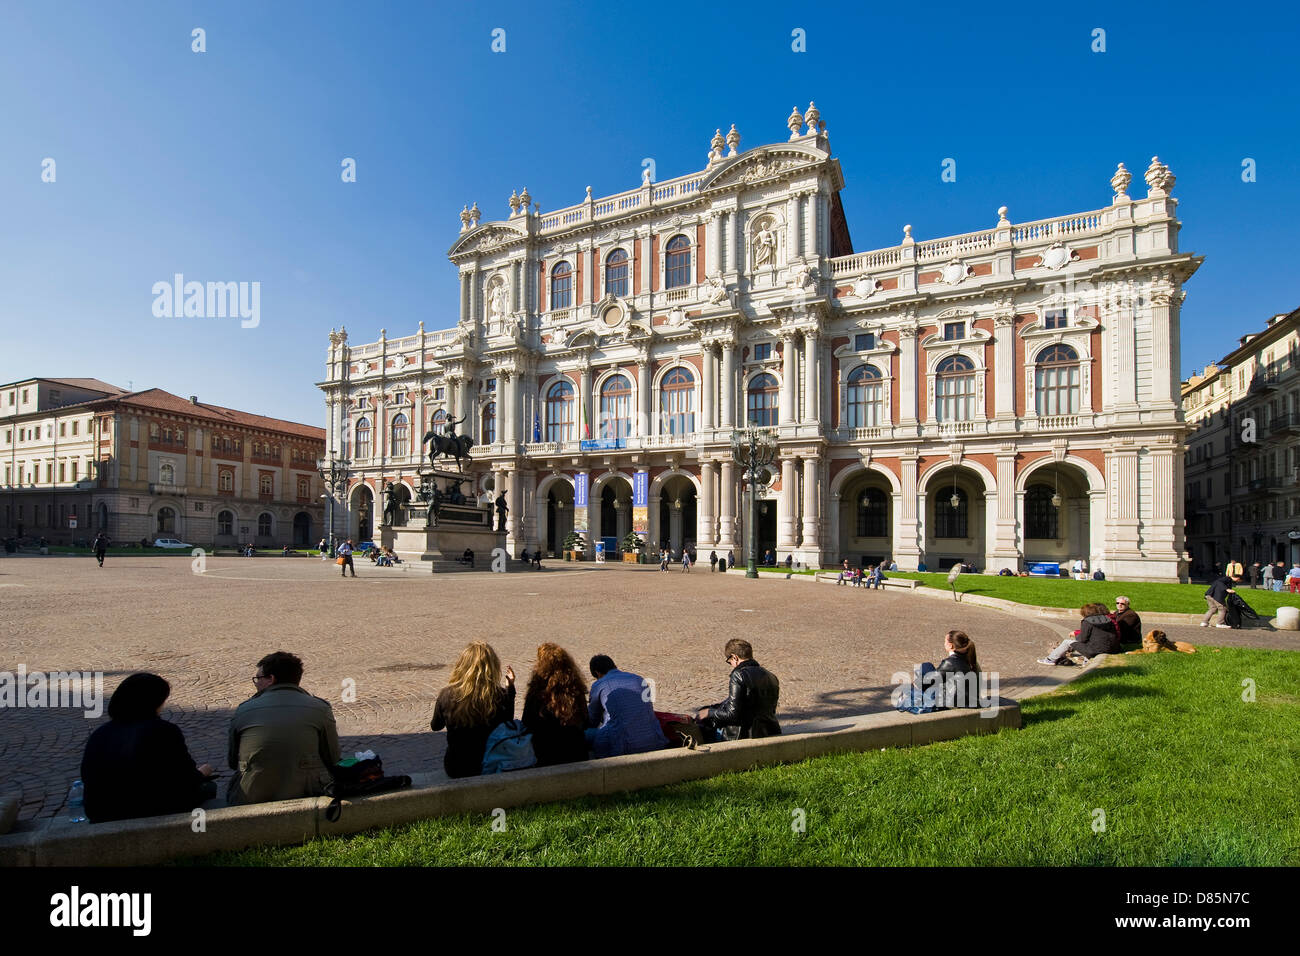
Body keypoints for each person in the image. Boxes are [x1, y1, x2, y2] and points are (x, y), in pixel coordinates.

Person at [80, 672, 216, 823]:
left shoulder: (100, 733)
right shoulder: (163, 730)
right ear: (154, 702)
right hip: (148, 808)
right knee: (209, 787)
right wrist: (203, 772)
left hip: (100, 811)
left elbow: (87, 776)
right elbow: (187, 778)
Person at [227, 652, 340, 805]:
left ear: (271, 679)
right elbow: (332, 758)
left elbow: (232, 761)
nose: (256, 684)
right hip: (306, 794)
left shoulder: (244, 710)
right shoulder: (320, 708)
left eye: (258, 679)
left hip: (251, 797)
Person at [430, 641, 516, 778]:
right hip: (489, 763)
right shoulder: (499, 696)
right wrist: (509, 689)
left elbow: (435, 726)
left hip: (457, 766)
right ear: (493, 667)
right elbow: (508, 723)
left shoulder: (447, 694)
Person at [697, 639, 780, 740]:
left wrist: (709, 713)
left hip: (743, 734)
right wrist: (715, 707)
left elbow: (732, 714)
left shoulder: (739, 675)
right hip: (769, 730)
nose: (731, 665)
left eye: (729, 661)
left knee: (701, 732)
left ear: (735, 657)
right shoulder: (771, 676)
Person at [585, 655, 666, 758]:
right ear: (614, 666)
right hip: (654, 740)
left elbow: (592, 720)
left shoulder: (599, 684)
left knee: (584, 734)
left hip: (623, 745)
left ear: (597, 673)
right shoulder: (638, 679)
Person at [522, 643, 589, 766]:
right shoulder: (575, 689)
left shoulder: (537, 693)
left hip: (545, 755)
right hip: (576, 752)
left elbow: (527, 723)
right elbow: (585, 720)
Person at [901, 631, 982, 710]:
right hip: (971, 702)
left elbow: (928, 681)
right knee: (930, 671)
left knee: (926, 666)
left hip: (952, 704)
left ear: (950, 646)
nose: (944, 644)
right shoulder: (972, 661)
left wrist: (913, 685)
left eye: (945, 641)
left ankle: (915, 697)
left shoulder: (951, 662)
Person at [1038, 603, 1121, 665]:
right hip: (1113, 648)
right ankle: (1084, 660)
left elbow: (1082, 639)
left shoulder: (1087, 621)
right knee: (1089, 642)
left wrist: (1076, 637)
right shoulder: (1107, 619)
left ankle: (1050, 659)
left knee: (1067, 642)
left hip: (1096, 650)